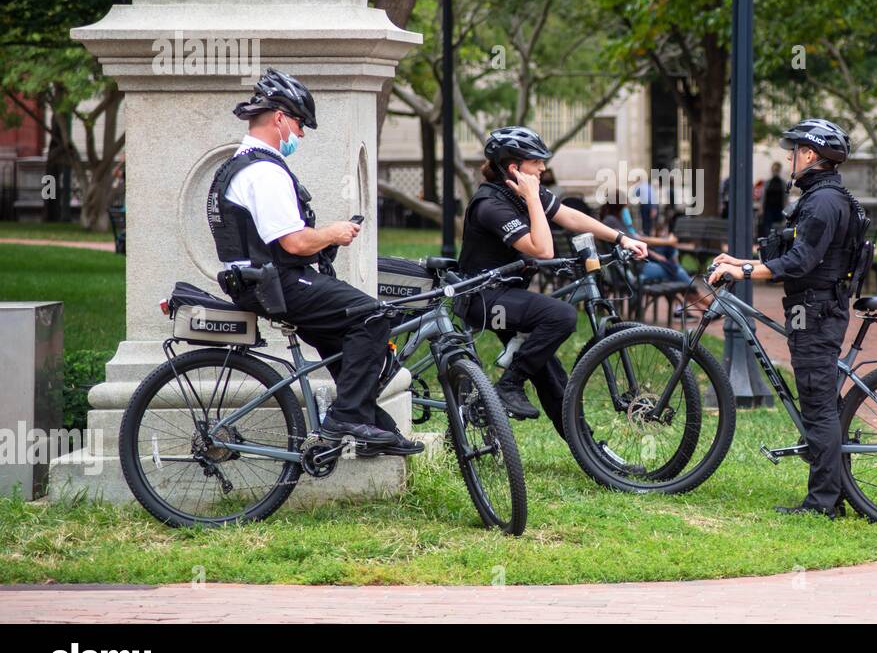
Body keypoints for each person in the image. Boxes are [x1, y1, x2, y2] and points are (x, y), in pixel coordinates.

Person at [208, 69, 421, 455]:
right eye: (300, 123)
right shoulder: (264, 171)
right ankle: (346, 419)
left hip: (261, 281)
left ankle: (370, 425)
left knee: (345, 340)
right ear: (279, 119)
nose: (301, 134)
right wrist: (334, 233)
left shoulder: (237, 165)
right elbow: (294, 242)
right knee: (372, 316)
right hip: (277, 282)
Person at [709, 118, 862, 519]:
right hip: (812, 308)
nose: (790, 157)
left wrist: (741, 273)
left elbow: (801, 261)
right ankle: (834, 492)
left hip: (817, 313)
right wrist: (741, 262)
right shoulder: (824, 197)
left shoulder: (824, 202)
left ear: (810, 155)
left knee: (818, 405)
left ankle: (824, 503)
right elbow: (800, 255)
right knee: (820, 401)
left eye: (794, 150)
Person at [454, 127, 648, 430]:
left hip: (508, 296)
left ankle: (591, 452)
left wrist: (620, 237)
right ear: (514, 168)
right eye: (537, 162)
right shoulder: (491, 204)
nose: (544, 167)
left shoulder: (517, 193)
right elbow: (542, 250)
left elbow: (568, 216)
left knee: (553, 379)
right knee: (561, 316)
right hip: (483, 300)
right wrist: (532, 197)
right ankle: (509, 386)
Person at [762, 161, 787, 237]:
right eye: (774, 169)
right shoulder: (768, 182)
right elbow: (764, 196)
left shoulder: (783, 183)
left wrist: (785, 210)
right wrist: (761, 207)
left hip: (779, 208)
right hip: (769, 208)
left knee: (779, 228)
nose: (775, 171)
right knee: (768, 228)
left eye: (777, 170)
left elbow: (785, 197)